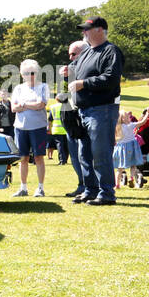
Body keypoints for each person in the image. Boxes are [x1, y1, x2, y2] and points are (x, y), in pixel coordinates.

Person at [68, 17, 124, 205]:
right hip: (84, 110)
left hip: (102, 109)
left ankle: (106, 193)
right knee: (84, 153)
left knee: (101, 153)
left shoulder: (110, 51)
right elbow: (76, 69)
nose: (84, 32)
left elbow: (110, 78)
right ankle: (90, 190)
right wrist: (69, 72)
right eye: (83, 30)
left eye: (87, 29)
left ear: (100, 30)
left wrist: (83, 83)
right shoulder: (86, 52)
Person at [10, 59, 50, 197]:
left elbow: (41, 105)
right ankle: (23, 188)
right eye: (26, 73)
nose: (30, 75)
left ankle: (40, 188)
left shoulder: (43, 87)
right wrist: (29, 105)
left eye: (32, 73)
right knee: (23, 158)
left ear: (36, 73)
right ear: (22, 74)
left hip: (38, 127)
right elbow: (14, 108)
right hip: (21, 127)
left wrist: (24, 105)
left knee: (39, 158)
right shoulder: (18, 88)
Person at [58, 39, 87, 195]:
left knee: (85, 154)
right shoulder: (68, 72)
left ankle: (90, 186)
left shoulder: (88, 69)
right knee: (75, 154)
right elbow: (63, 94)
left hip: (83, 116)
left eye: (73, 54)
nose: (70, 58)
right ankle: (82, 184)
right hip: (70, 118)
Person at [113, 109, 144, 189]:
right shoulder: (131, 125)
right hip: (131, 147)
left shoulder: (117, 127)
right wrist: (146, 115)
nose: (130, 118)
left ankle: (117, 185)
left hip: (121, 149)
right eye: (128, 117)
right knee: (133, 165)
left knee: (119, 168)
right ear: (124, 119)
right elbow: (142, 122)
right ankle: (131, 178)